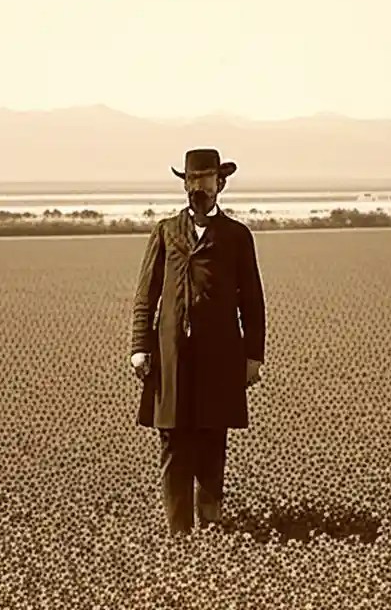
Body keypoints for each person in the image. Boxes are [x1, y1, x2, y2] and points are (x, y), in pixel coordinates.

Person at [129, 147, 267, 535]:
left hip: (219, 355)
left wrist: (253, 357)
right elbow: (146, 293)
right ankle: (179, 534)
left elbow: (252, 300)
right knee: (173, 441)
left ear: (220, 184)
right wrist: (140, 347)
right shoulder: (166, 231)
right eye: (192, 180)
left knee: (211, 440)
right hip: (171, 355)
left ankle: (210, 529)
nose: (198, 187)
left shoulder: (237, 236)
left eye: (205, 179)